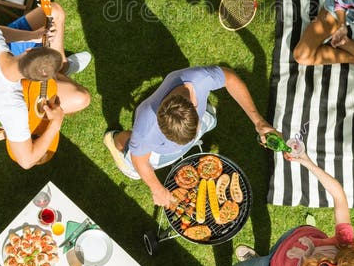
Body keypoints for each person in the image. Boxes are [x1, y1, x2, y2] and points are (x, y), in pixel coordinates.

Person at [192, 147, 354, 266]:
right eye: (323, 265)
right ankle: (265, 258)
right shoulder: (344, 245)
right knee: (273, 254)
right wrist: (307, 162)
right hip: (292, 240)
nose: (311, 264)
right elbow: (339, 196)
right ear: (340, 260)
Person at [103, 65, 274, 208]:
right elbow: (139, 159)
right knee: (134, 169)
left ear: (194, 104)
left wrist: (258, 121)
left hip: (192, 124)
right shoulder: (146, 129)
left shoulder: (199, 79)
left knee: (211, 120)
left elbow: (230, 78)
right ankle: (115, 139)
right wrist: (157, 189)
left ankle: (202, 122)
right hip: (156, 148)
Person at [0, 5, 91, 169]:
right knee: (82, 98)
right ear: (30, 82)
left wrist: (33, 36)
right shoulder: (12, 107)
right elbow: (26, 161)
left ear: (28, 50)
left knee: (54, 11)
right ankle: (63, 70)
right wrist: (56, 123)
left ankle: (62, 69)